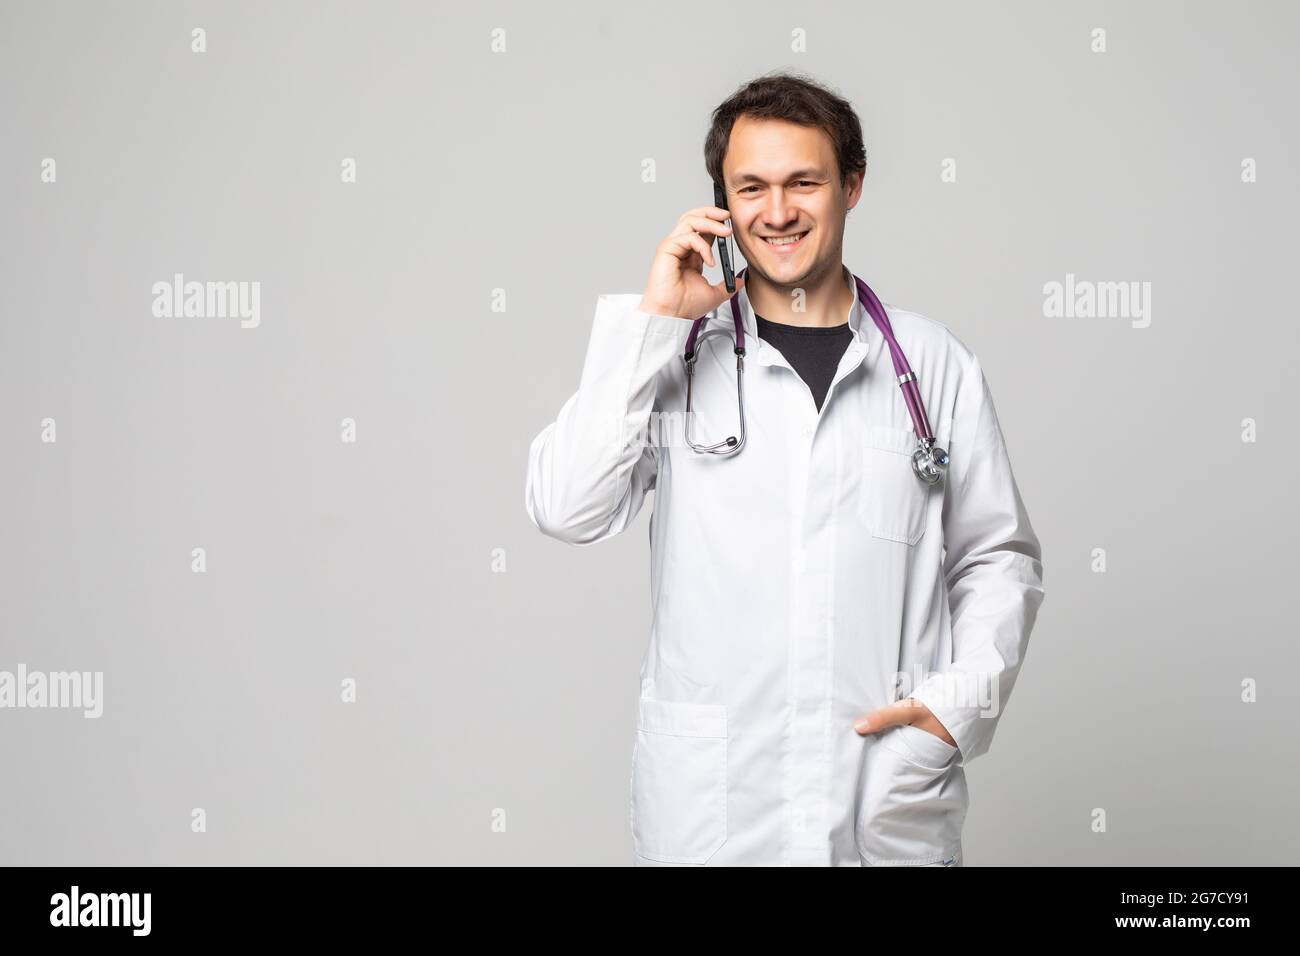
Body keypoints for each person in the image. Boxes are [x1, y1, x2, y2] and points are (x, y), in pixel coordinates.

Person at [524, 71, 1045, 866]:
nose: (777, 212)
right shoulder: (673, 355)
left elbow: (997, 558)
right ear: (721, 205)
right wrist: (655, 321)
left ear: (852, 187)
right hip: (716, 810)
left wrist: (951, 710)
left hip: (881, 799)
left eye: (805, 182)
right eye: (751, 187)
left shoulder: (934, 366)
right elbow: (566, 507)